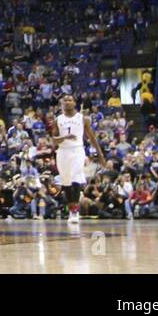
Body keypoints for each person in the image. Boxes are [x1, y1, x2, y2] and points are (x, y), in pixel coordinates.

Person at [49, 94, 107, 224]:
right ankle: (71, 210)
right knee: (67, 183)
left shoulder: (83, 119)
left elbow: (92, 138)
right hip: (62, 152)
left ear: (74, 103)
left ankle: (75, 211)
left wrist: (101, 155)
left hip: (77, 150)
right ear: (61, 104)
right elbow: (53, 140)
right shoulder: (58, 120)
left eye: (70, 100)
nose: (68, 102)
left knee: (75, 179)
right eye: (65, 100)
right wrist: (65, 137)